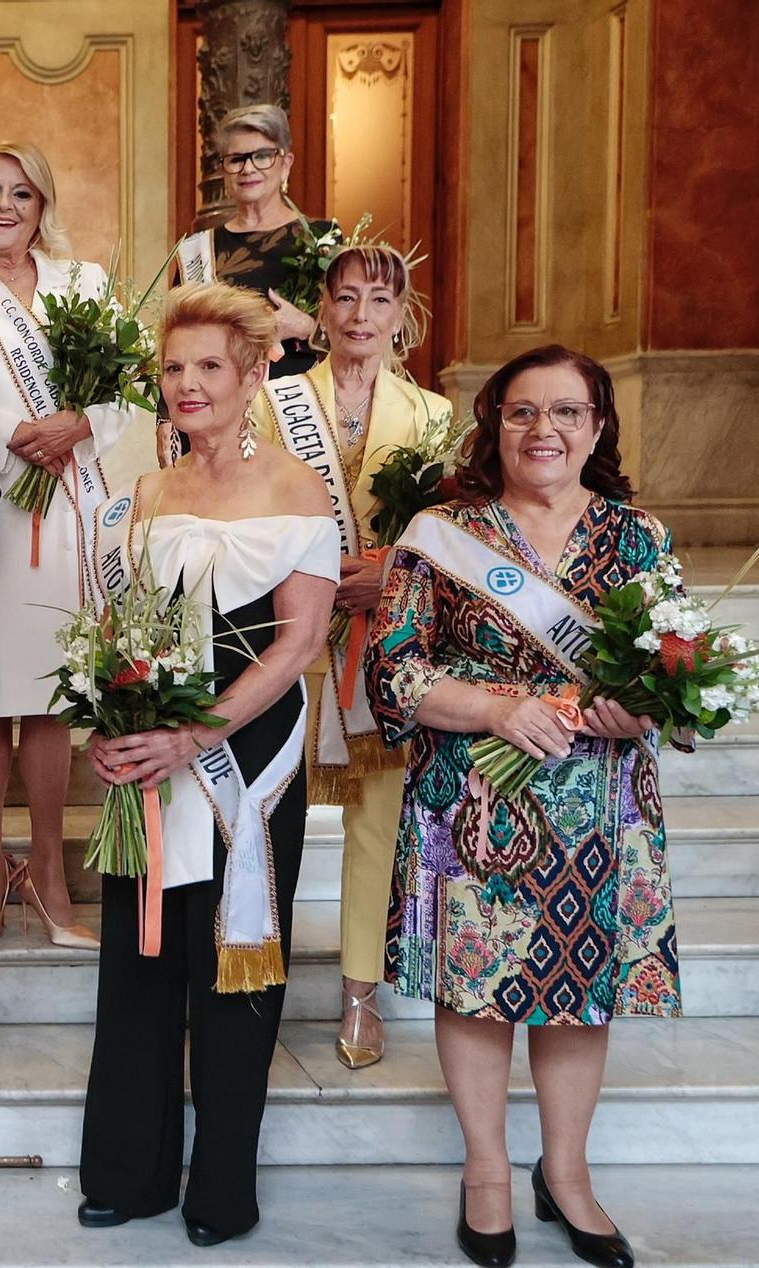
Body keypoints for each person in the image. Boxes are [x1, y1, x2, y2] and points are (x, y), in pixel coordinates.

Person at [368, 345, 672, 1268]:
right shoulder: (441, 533)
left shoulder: (639, 538)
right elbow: (393, 669)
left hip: (601, 811)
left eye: (567, 412)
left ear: (598, 425)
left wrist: (646, 702)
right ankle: (489, 1173)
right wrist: (500, 708)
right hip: (477, 802)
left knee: (583, 994)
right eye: (522, 413)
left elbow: (681, 671)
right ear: (493, 425)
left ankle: (568, 1175)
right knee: (479, 983)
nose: (544, 430)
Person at [76, 283, 338, 1247]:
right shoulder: (147, 491)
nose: (188, 385)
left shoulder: (299, 489)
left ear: (255, 371)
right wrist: (111, 725)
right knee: (141, 960)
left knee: (233, 972)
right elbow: (118, 630)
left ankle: (220, 1185)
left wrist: (199, 735)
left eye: (209, 367)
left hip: (247, 755)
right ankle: (129, 1170)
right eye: (175, 368)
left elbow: (299, 641)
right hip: (149, 751)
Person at [0, 141, 146, 953]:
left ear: (43, 207)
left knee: (51, 696)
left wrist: (78, 425)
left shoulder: (85, 284)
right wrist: (17, 432)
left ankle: (47, 868)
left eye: (20, 194)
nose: (3, 206)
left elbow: (120, 387)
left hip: (71, 502)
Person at [246, 243, 453, 1069]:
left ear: (402, 316)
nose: (362, 314)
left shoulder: (433, 416)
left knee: (377, 824)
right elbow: (251, 500)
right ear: (322, 311)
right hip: (288, 634)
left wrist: (388, 575)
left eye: (380, 299)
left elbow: (448, 535)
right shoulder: (277, 400)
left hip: (385, 640)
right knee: (268, 811)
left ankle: (361, 993)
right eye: (346, 298)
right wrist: (315, 577)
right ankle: (251, 980)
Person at [161, 104, 327, 466]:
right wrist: (165, 419)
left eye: (263, 156)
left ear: (286, 163)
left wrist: (305, 326)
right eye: (236, 158)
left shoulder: (322, 241)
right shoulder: (199, 249)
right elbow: (177, 340)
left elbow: (355, 335)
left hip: (301, 420)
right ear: (224, 170)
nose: (248, 168)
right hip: (215, 419)